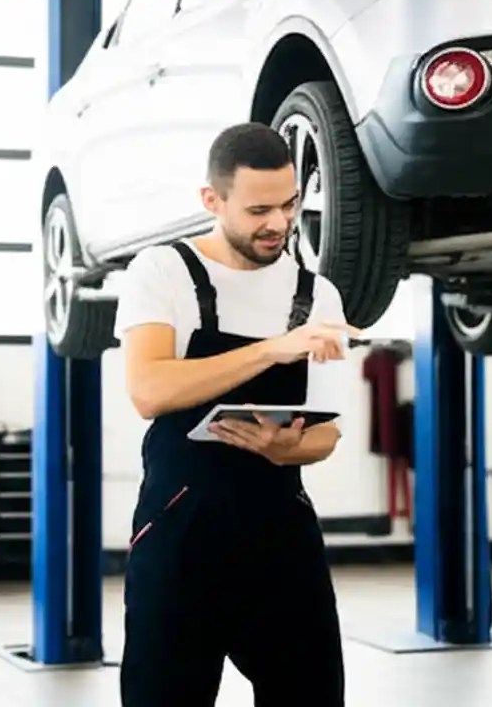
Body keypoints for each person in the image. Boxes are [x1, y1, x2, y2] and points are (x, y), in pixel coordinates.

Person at [114, 122, 356, 706]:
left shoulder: (317, 295)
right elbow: (148, 389)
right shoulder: (163, 272)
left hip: (281, 530)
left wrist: (288, 448)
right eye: (258, 210)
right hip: (181, 531)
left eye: (289, 205)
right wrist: (272, 350)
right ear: (212, 200)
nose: (278, 223)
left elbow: (328, 434)